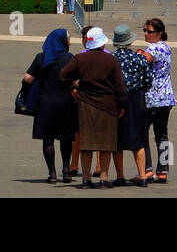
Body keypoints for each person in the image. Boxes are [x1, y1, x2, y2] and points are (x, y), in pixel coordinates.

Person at [59, 27, 125, 189]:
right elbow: (119, 86)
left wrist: (73, 86)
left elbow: (62, 74)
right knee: (106, 144)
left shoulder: (79, 58)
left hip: (85, 104)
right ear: (102, 43)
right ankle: (104, 177)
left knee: (86, 144)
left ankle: (86, 178)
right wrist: (122, 104)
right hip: (108, 105)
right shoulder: (111, 60)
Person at [23, 29, 79, 183]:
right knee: (66, 138)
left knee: (48, 140)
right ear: (61, 41)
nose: (70, 42)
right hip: (66, 102)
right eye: (68, 39)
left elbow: (28, 78)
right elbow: (76, 80)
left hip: (46, 103)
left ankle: (52, 173)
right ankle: (66, 169)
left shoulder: (41, 58)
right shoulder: (69, 58)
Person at [111, 24, 153, 187]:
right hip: (137, 100)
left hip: (118, 101)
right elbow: (148, 80)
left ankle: (120, 176)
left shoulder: (112, 58)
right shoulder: (140, 58)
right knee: (139, 139)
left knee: (118, 140)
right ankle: (142, 176)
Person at [139, 17, 175, 183]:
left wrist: (139, 54)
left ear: (159, 33)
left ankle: (147, 169)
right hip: (167, 96)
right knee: (162, 135)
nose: (146, 34)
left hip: (153, 97)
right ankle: (163, 170)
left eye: (150, 31)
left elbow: (142, 63)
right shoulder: (166, 47)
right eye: (145, 30)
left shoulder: (154, 47)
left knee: (142, 134)